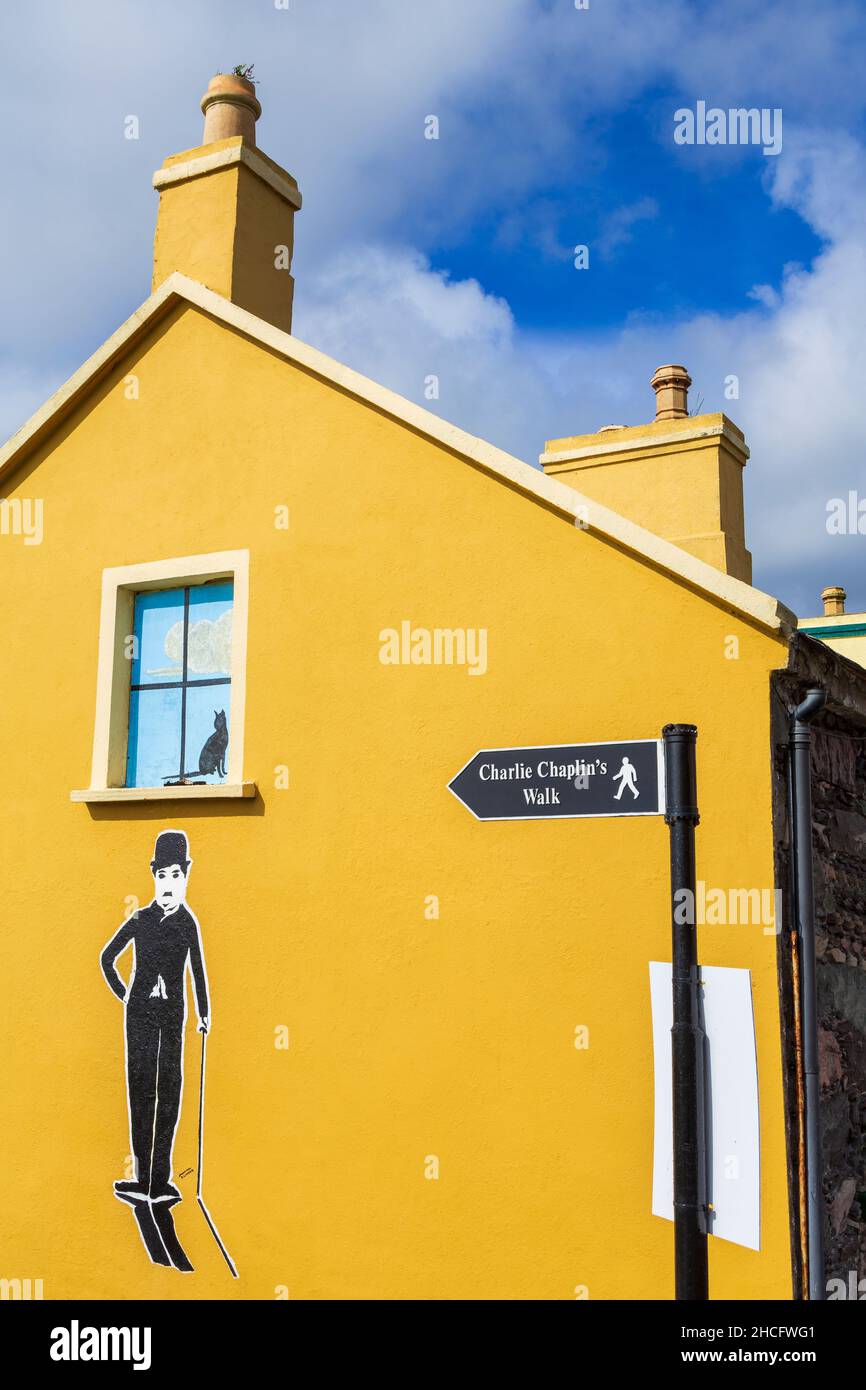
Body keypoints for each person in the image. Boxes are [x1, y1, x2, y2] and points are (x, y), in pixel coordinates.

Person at [100, 830, 209, 1202]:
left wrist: (204, 1013)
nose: (168, 884)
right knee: (140, 1091)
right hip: (140, 1016)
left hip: (171, 1017)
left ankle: (159, 1181)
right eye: (162, 876)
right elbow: (107, 957)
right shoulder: (142, 919)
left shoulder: (186, 923)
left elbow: (197, 972)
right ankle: (141, 1177)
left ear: (186, 875)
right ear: (153, 874)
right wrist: (125, 995)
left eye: (175, 875)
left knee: (169, 1091)